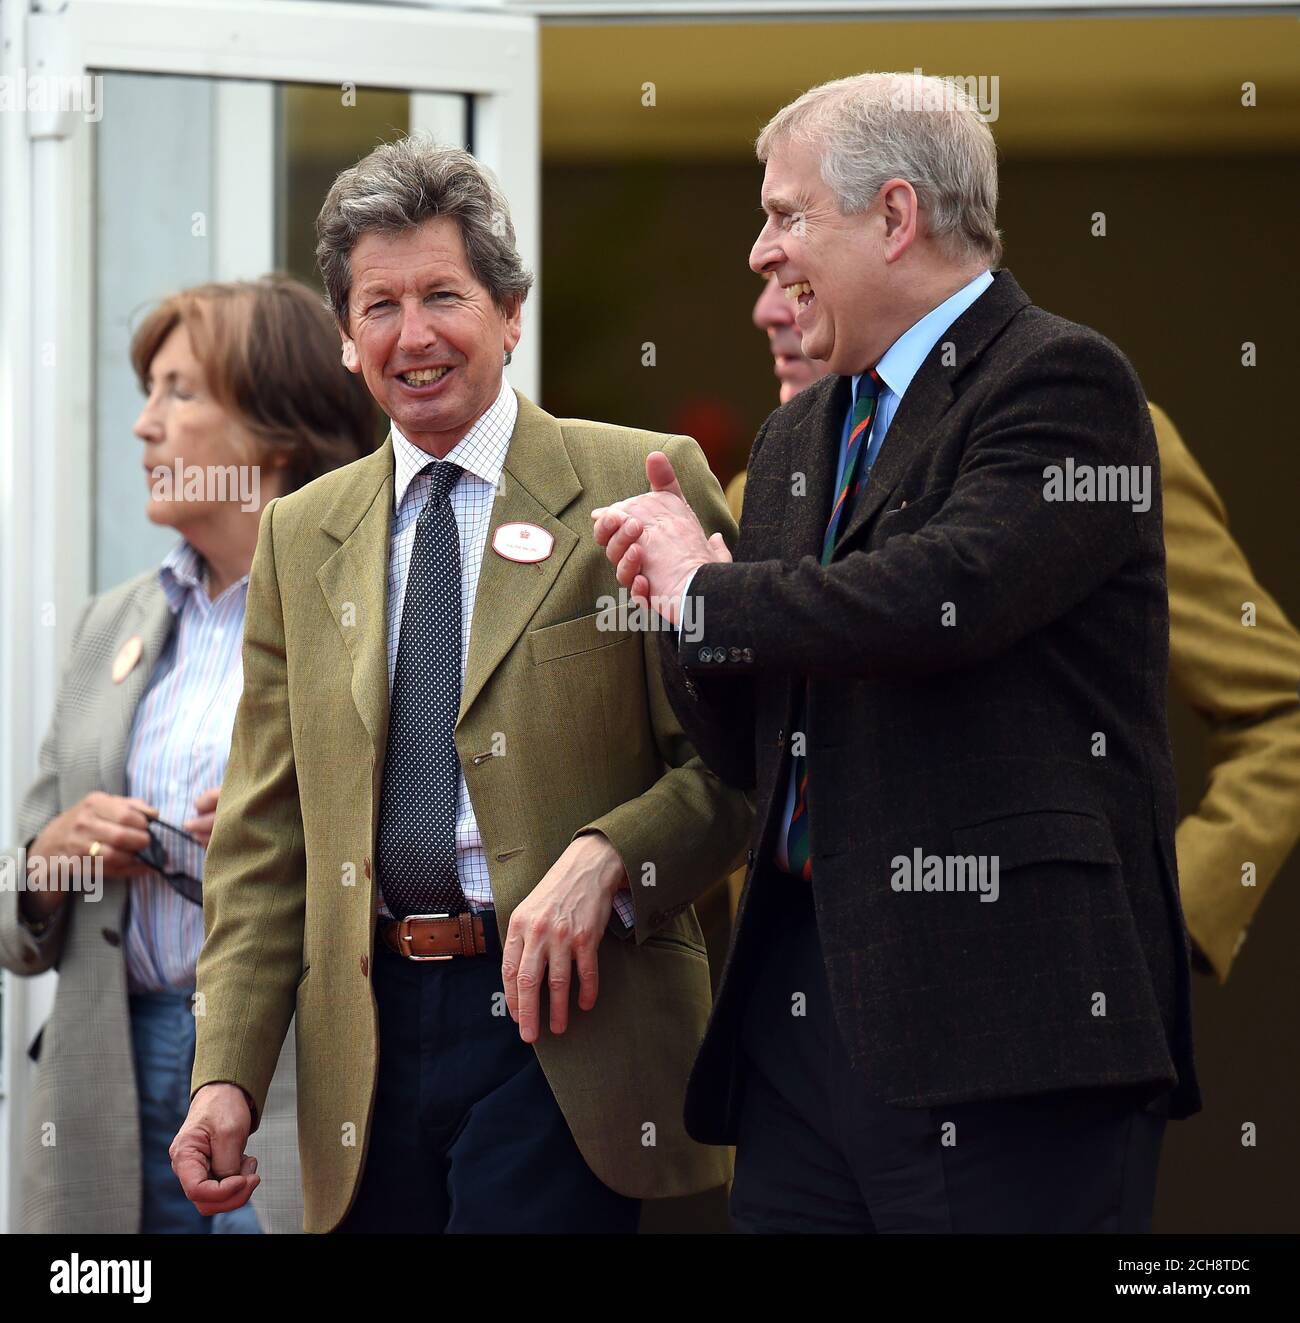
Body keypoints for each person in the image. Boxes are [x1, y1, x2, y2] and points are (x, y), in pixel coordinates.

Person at [594, 71, 1200, 1233]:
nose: (759, 254)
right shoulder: (794, 436)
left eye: (785, 215)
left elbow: (943, 597)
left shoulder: (1060, 380)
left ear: (893, 215)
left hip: (1003, 1024)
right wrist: (677, 604)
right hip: (795, 1023)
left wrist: (712, 591)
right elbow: (741, 743)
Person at [170, 138, 750, 1234]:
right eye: (378, 306)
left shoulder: (641, 477)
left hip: (569, 1026)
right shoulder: (303, 534)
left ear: (510, 311)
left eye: (444, 294)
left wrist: (611, 860)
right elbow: (265, 833)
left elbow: (738, 761)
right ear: (346, 341)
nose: (414, 334)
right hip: (367, 1043)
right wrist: (225, 1075)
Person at [736, 271, 1300, 980]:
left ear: (893, 241)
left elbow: (1284, 714)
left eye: (803, 274)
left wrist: (1155, 922)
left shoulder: (1085, 440)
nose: (767, 312)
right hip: (788, 1018)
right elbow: (727, 766)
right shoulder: (755, 489)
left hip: (1017, 1004)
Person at [0, 275, 376, 1233]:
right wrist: (51, 865)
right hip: (108, 1078)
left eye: (179, 392)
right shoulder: (108, 624)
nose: (144, 426)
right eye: (147, 391)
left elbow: (438, 846)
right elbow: (13, 917)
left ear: (276, 430)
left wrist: (281, 833)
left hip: (291, 1080)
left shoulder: (373, 609)